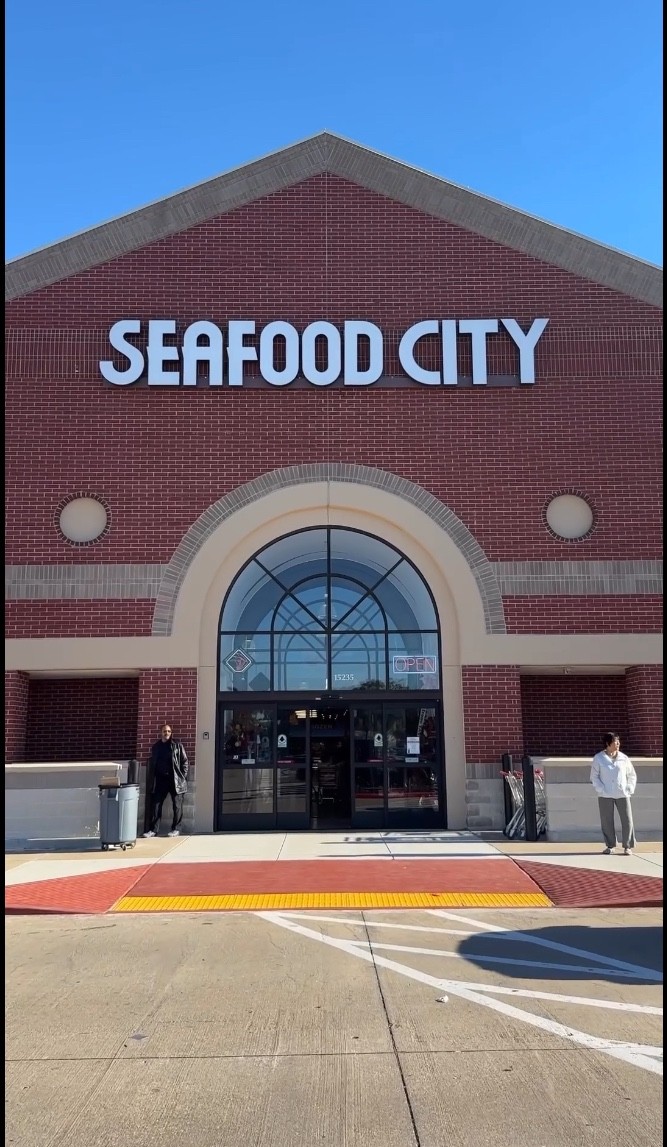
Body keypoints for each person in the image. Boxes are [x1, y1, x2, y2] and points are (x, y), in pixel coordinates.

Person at [590, 732, 637, 855]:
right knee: (607, 820)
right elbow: (594, 777)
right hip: (605, 794)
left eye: (618, 742)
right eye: (615, 742)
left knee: (627, 820)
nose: (618, 744)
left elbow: (632, 775)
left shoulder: (624, 758)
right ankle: (610, 845)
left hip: (622, 793)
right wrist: (601, 789)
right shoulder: (599, 758)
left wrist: (629, 788)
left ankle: (628, 846)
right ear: (607, 743)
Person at [143, 723, 189, 838]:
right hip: (160, 780)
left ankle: (176, 829)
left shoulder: (177, 745)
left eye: (168, 731)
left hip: (175, 780)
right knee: (156, 805)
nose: (167, 733)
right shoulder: (156, 747)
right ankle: (153, 830)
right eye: (164, 731)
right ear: (161, 733)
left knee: (177, 805)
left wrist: (182, 776)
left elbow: (185, 762)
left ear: (171, 732)